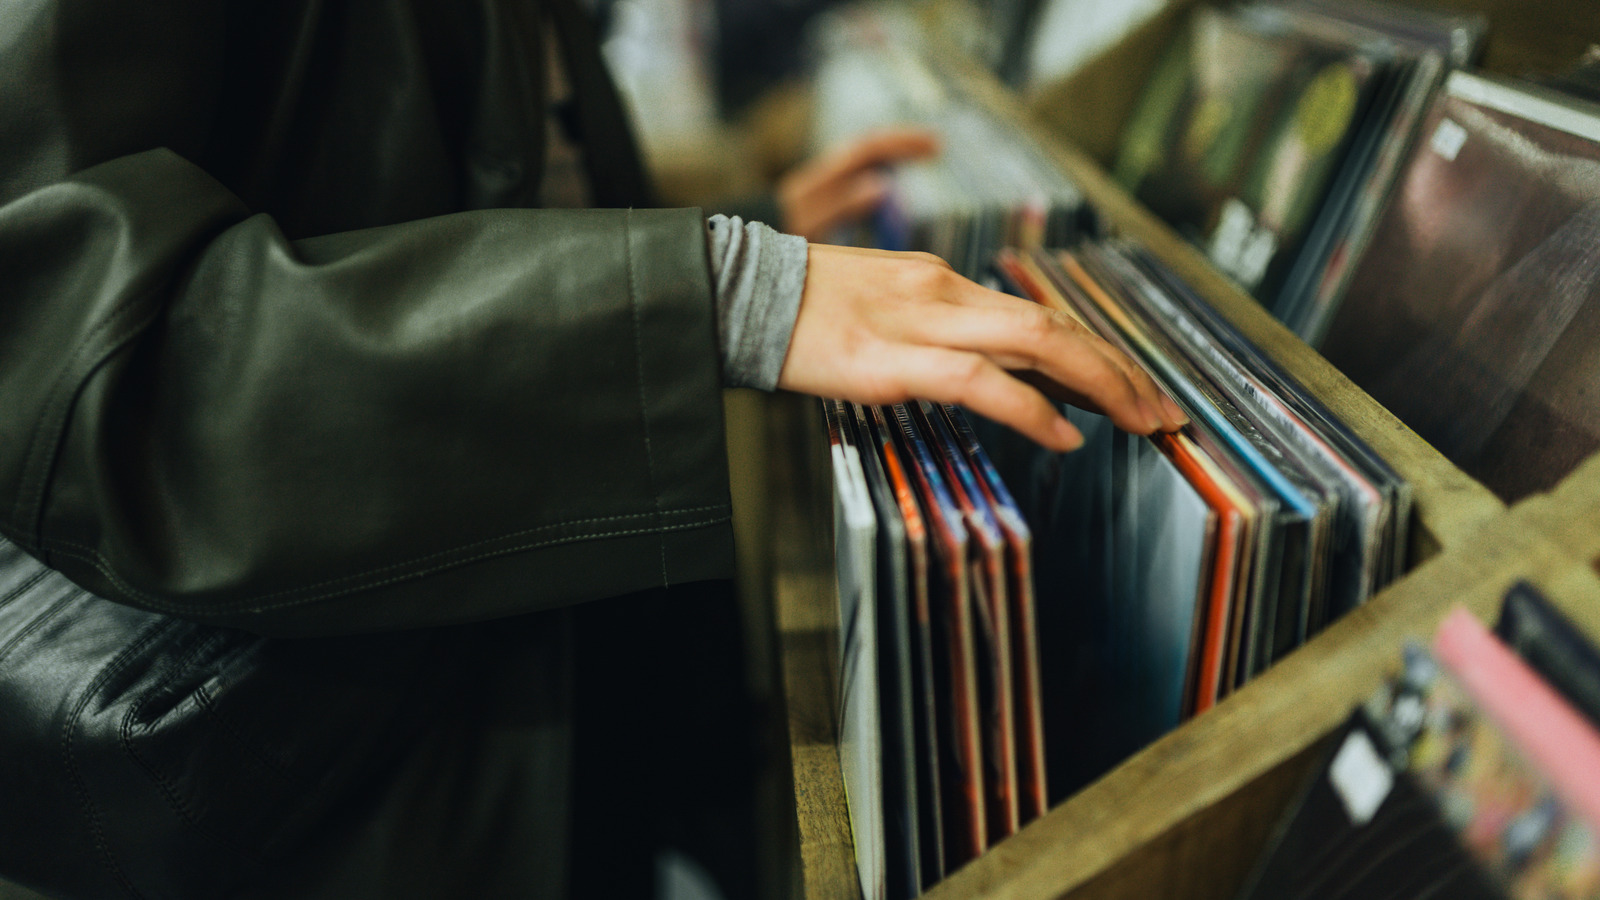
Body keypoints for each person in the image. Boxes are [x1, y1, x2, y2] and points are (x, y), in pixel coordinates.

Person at [0, 0, 1185, 897]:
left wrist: (742, 221)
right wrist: (717, 296)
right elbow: (97, 366)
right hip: (327, 790)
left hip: (549, 699)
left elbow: (453, 161)